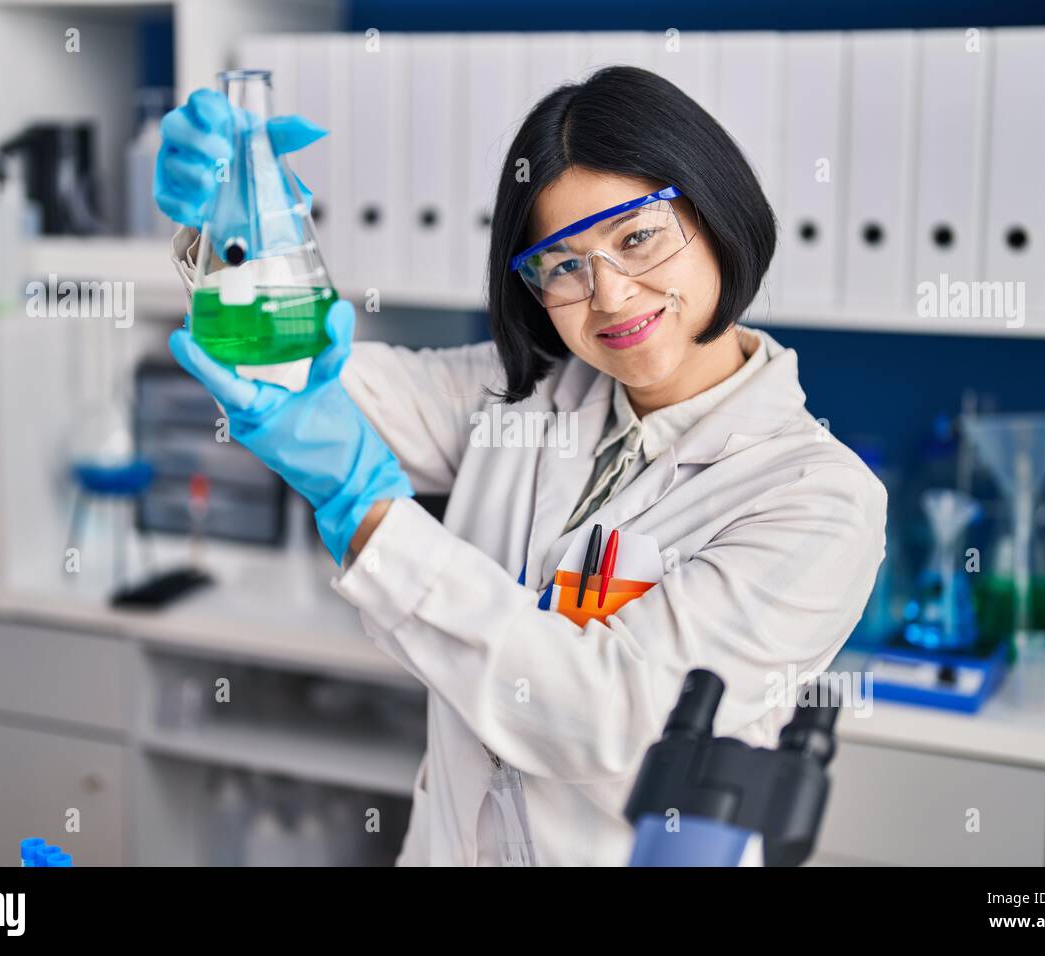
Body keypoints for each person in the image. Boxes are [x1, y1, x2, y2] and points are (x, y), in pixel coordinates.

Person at [156, 66, 887, 866]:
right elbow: (292, 376)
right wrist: (228, 231)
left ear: (717, 210)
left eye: (637, 236)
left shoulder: (819, 501)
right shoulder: (518, 400)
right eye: (564, 264)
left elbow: (612, 717)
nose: (608, 294)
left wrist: (369, 515)